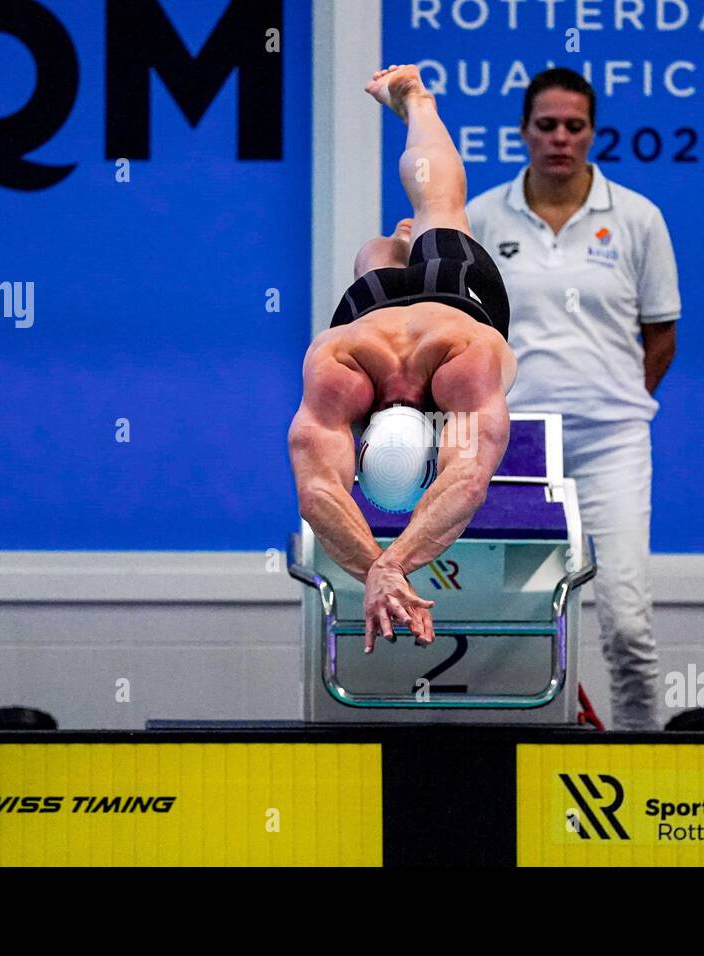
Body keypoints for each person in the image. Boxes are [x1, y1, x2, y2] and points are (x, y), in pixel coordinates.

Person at [465, 68, 681, 731]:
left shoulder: (638, 218)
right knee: (511, 623)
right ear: (524, 131)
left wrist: (609, 403)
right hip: (514, 445)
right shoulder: (479, 218)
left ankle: (644, 763)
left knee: (628, 624)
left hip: (612, 443)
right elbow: (466, 337)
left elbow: (662, 334)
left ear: (592, 132)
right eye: (547, 125)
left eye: (574, 126)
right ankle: (518, 759)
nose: (560, 138)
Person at [288, 65, 517, 654]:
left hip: (450, 308)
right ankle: (397, 234)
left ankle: (418, 100)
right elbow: (318, 496)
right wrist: (383, 567)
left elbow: (463, 484)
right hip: (375, 315)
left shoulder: (466, 359)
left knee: (441, 205)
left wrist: (383, 570)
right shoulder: (338, 358)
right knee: (382, 254)